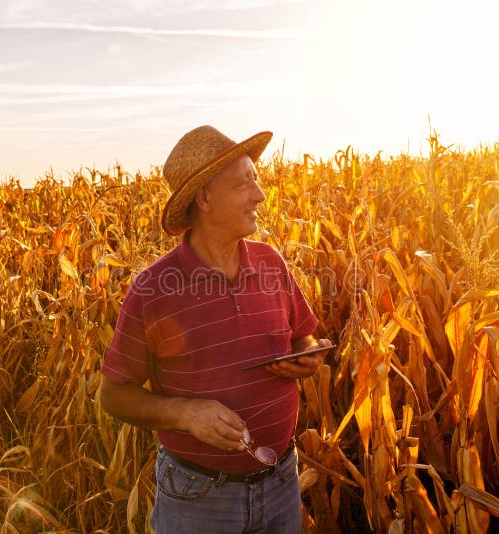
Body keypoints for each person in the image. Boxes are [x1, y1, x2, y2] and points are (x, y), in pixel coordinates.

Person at [99, 125, 332, 533]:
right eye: (244, 184)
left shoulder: (271, 263)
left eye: (256, 181)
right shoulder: (154, 289)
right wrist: (186, 414)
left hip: (280, 485)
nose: (259, 196)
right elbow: (114, 396)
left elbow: (303, 335)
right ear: (204, 198)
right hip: (199, 500)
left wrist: (306, 355)